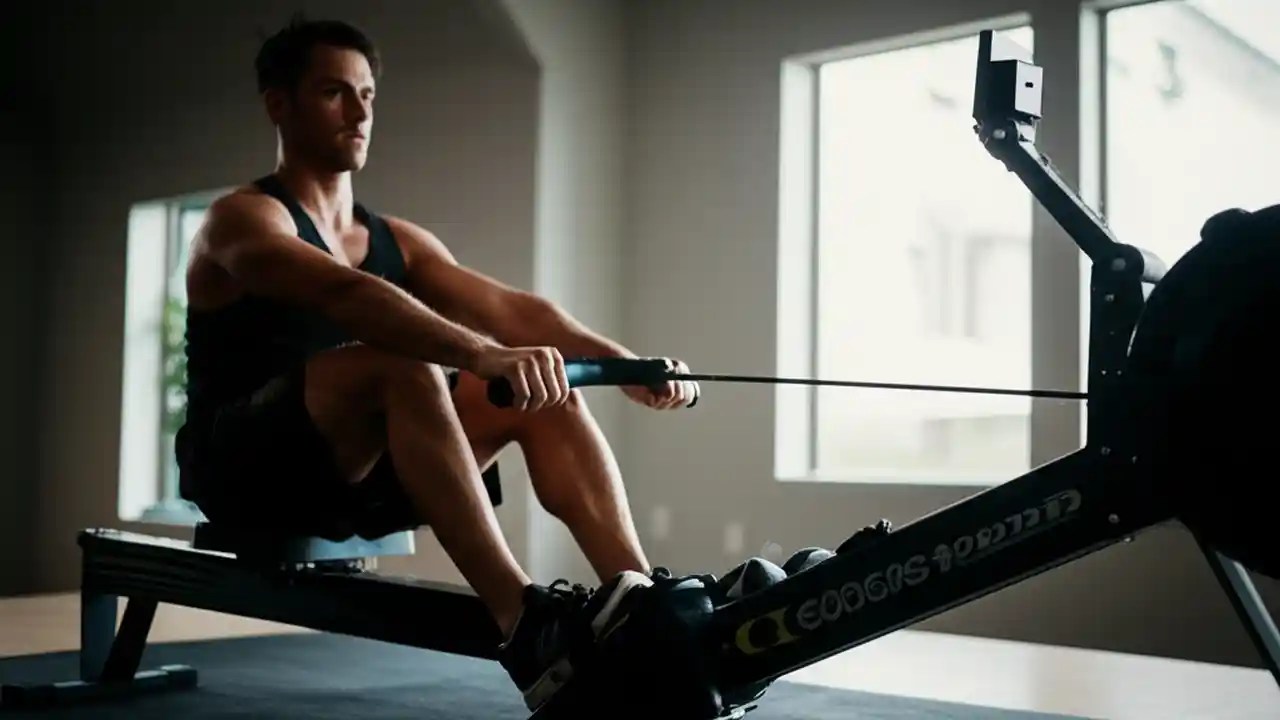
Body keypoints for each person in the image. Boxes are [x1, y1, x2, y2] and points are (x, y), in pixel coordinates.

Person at [173, 15, 699, 711]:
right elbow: (344, 292)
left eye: (367, 94)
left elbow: (516, 311)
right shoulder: (241, 220)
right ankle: (525, 627)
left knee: (542, 390)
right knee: (404, 363)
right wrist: (478, 353)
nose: (360, 112)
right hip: (247, 469)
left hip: (359, 471)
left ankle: (647, 611)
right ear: (279, 104)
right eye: (335, 93)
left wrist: (630, 366)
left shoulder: (397, 239)